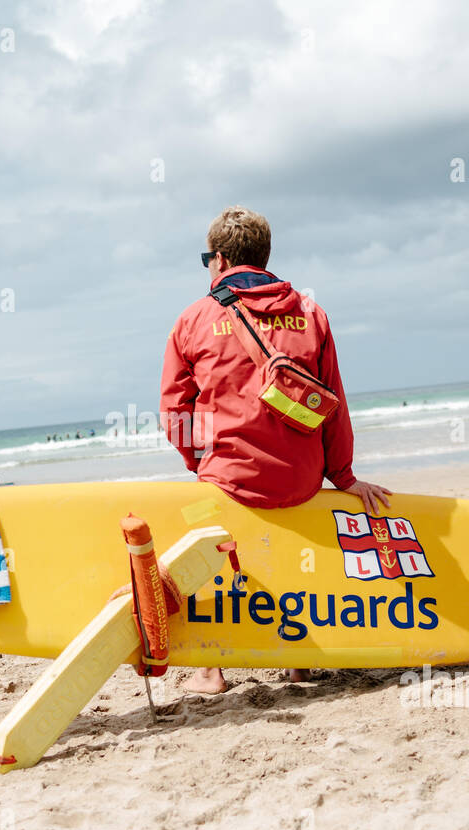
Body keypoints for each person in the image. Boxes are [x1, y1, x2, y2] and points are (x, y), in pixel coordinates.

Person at [161, 206, 391, 695]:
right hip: (302, 479)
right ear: (264, 258)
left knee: (207, 531)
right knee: (292, 533)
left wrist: (198, 464)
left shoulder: (194, 319)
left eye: (207, 259)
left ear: (219, 259)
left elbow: (173, 410)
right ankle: (299, 662)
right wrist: (344, 477)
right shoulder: (310, 312)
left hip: (230, 478)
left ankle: (211, 670)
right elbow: (333, 401)